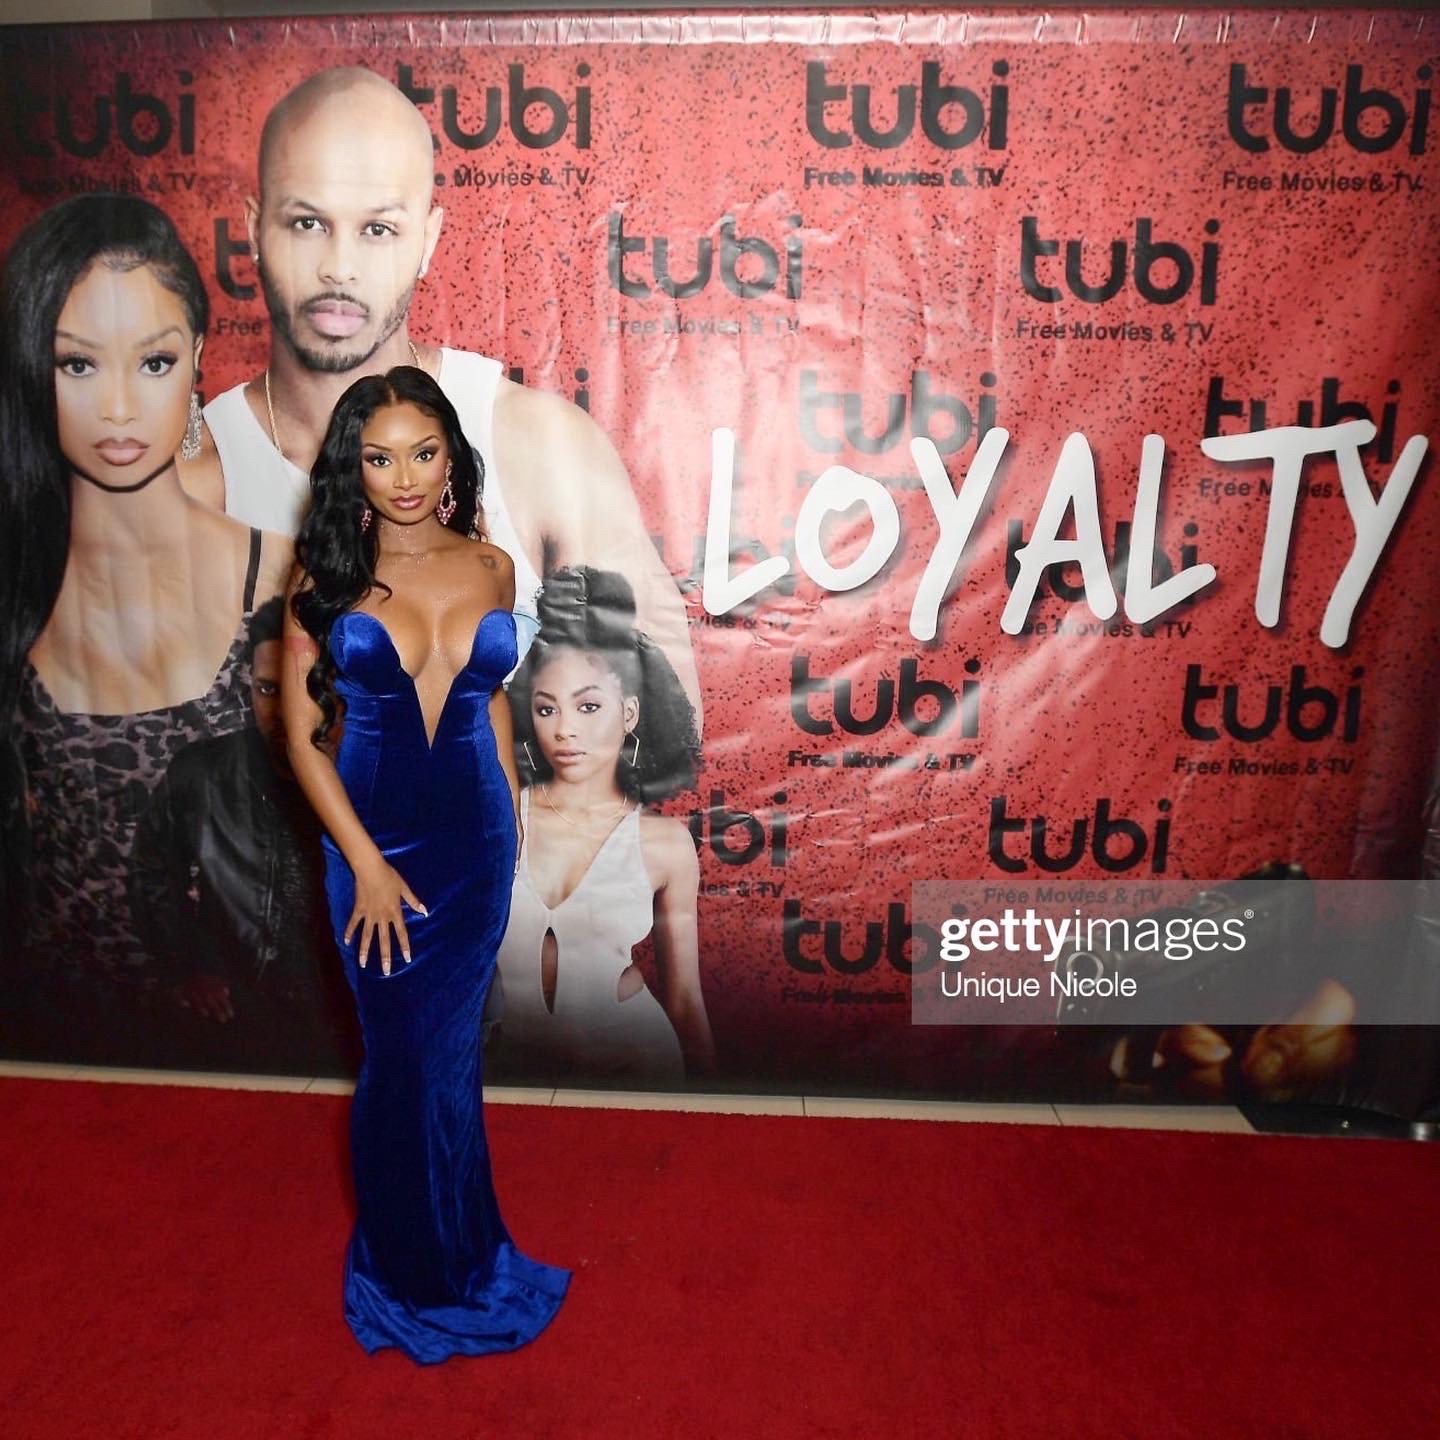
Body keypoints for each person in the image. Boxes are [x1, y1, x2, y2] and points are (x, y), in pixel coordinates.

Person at [202, 64, 702, 719]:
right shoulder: (189, 465)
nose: (339, 266)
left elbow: (668, 718)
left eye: (377, 228)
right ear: (253, 227)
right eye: (306, 224)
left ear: (429, 240)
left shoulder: (535, 445)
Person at [282, 364, 569, 1362]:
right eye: (377, 456)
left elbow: (490, 699)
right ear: (350, 468)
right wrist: (360, 860)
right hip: (375, 846)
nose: (402, 476)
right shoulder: (325, 578)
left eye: (423, 451)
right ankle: (408, 1270)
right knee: (399, 1067)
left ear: (452, 456)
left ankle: (462, 1254)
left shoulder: (490, 566)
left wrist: (515, 816)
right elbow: (301, 742)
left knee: (448, 1063)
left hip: (473, 846)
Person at [0, 194, 289, 1059]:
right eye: (78, 367)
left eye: (154, 362)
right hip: (50, 1054)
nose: (119, 408)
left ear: (198, 358)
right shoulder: (15, 591)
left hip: (255, 1053)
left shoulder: (282, 575)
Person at [496, 567, 716, 1084]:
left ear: (631, 712)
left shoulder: (663, 845)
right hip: (519, 1071)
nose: (565, 729)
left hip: (636, 1068)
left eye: (588, 705)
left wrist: (713, 1118)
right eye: (546, 709)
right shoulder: (502, 815)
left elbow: (685, 998)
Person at [128, 597, 358, 1075]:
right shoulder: (203, 773)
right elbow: (151, 868)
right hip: (247, 1018)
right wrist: (186, 967)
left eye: (309, 687)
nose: (286, 708)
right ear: (247, 688)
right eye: (268, 688)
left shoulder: (377, 775)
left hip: (353, 1014)